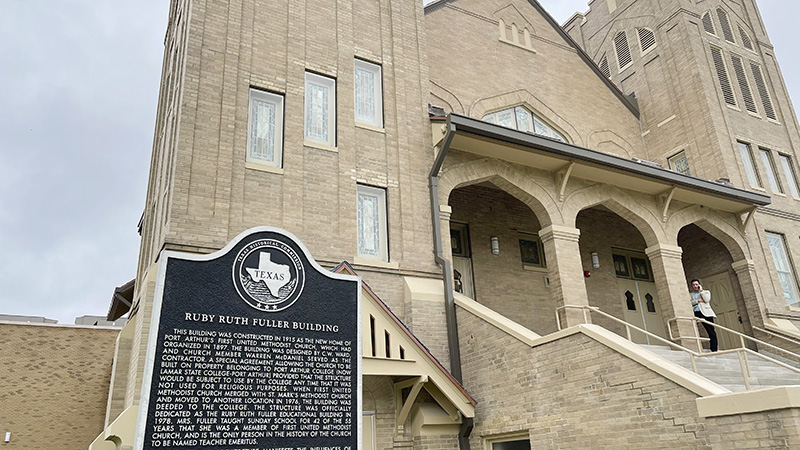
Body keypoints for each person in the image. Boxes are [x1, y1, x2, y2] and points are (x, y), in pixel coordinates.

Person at [690, 279, 718, 352]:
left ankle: (714, 349)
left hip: (706, 313)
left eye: (696, 284)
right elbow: (690, 302)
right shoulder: (691, 294)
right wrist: (697, 301)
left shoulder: (706, 292)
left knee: (711, 330)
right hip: (696, 312)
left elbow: (706, 300)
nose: (695, 286)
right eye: (693, 285)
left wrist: (701, 291)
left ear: (699, 284)